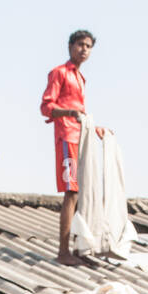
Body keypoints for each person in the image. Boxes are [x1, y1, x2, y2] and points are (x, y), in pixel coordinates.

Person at [40, 29, 105, 266]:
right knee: (72, 191)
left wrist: (95, 128)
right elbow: (46, 107)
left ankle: (78, 248)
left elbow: (81, 112)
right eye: (80, 45)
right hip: (67, 135)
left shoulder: (80, 78)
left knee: (82, 193)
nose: (84, 50)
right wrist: (69, 113)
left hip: (80, 137)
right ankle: (63, 251)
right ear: (70, 46)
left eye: (88, 46)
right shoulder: (59, 73)